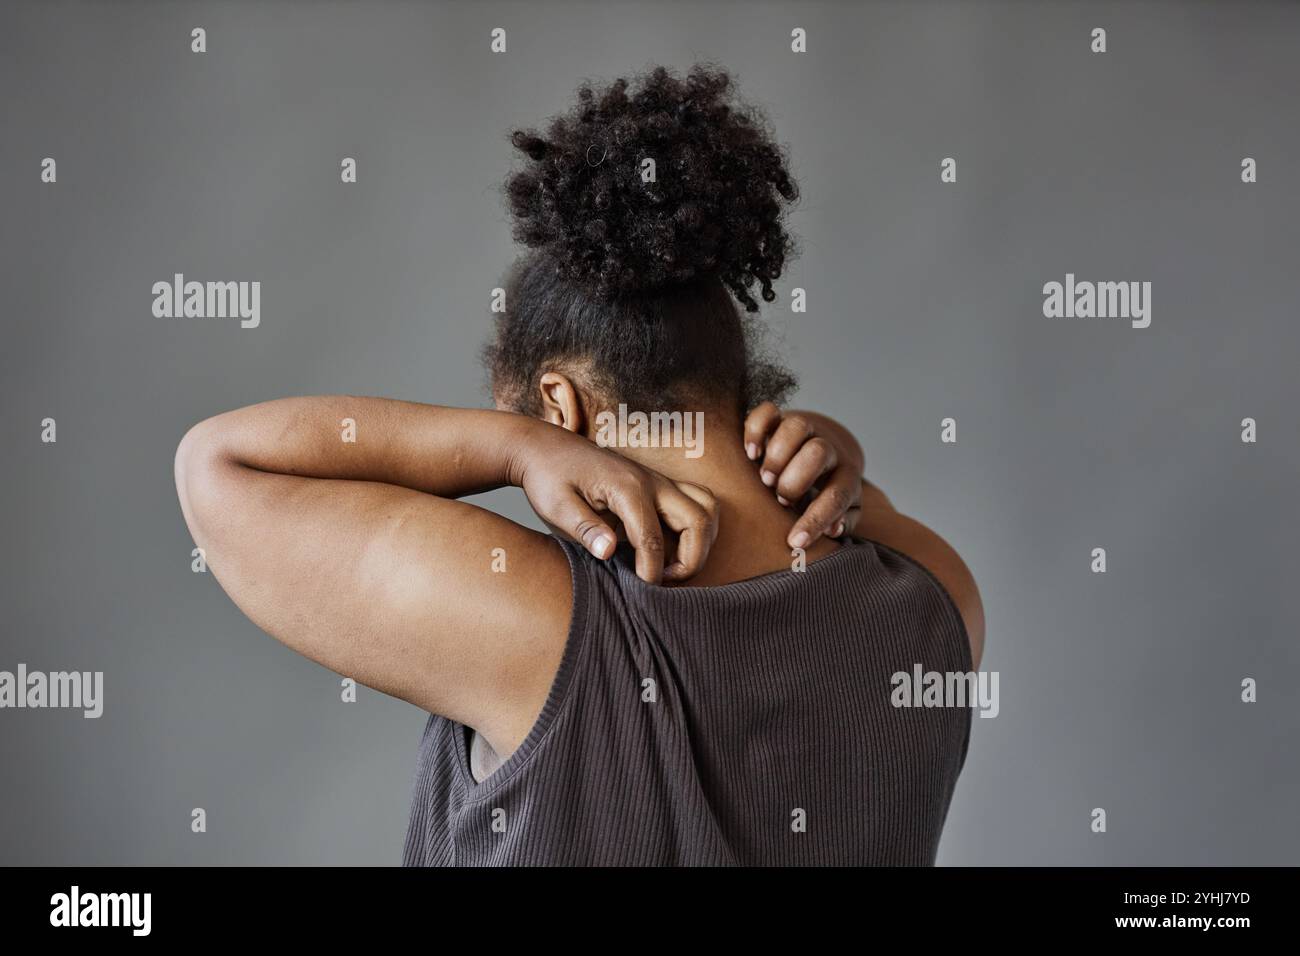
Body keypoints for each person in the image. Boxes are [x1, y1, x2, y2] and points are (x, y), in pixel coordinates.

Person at [173, 64, 983, 866]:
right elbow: (842, 515)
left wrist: (518, 452)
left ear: (561, 405)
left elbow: (217, 463)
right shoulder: (938, 598)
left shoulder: (535, 623)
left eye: (517, 415)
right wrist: (839, 454)